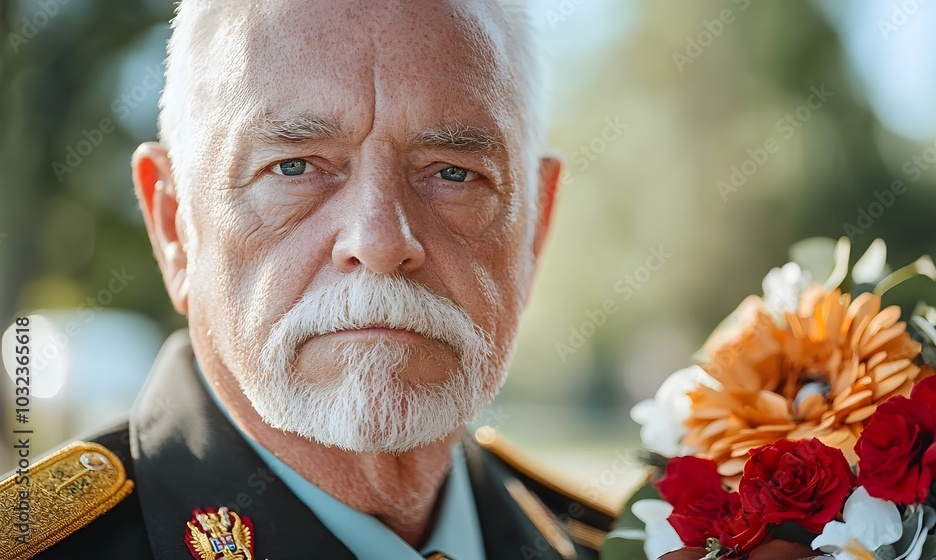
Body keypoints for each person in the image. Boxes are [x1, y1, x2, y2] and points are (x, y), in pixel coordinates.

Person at [0, 0, 617, 558]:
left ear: (535, 230)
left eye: (453, 173)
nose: (379, 243)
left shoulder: (623, 545)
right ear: (173, 226)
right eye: (293, 167)